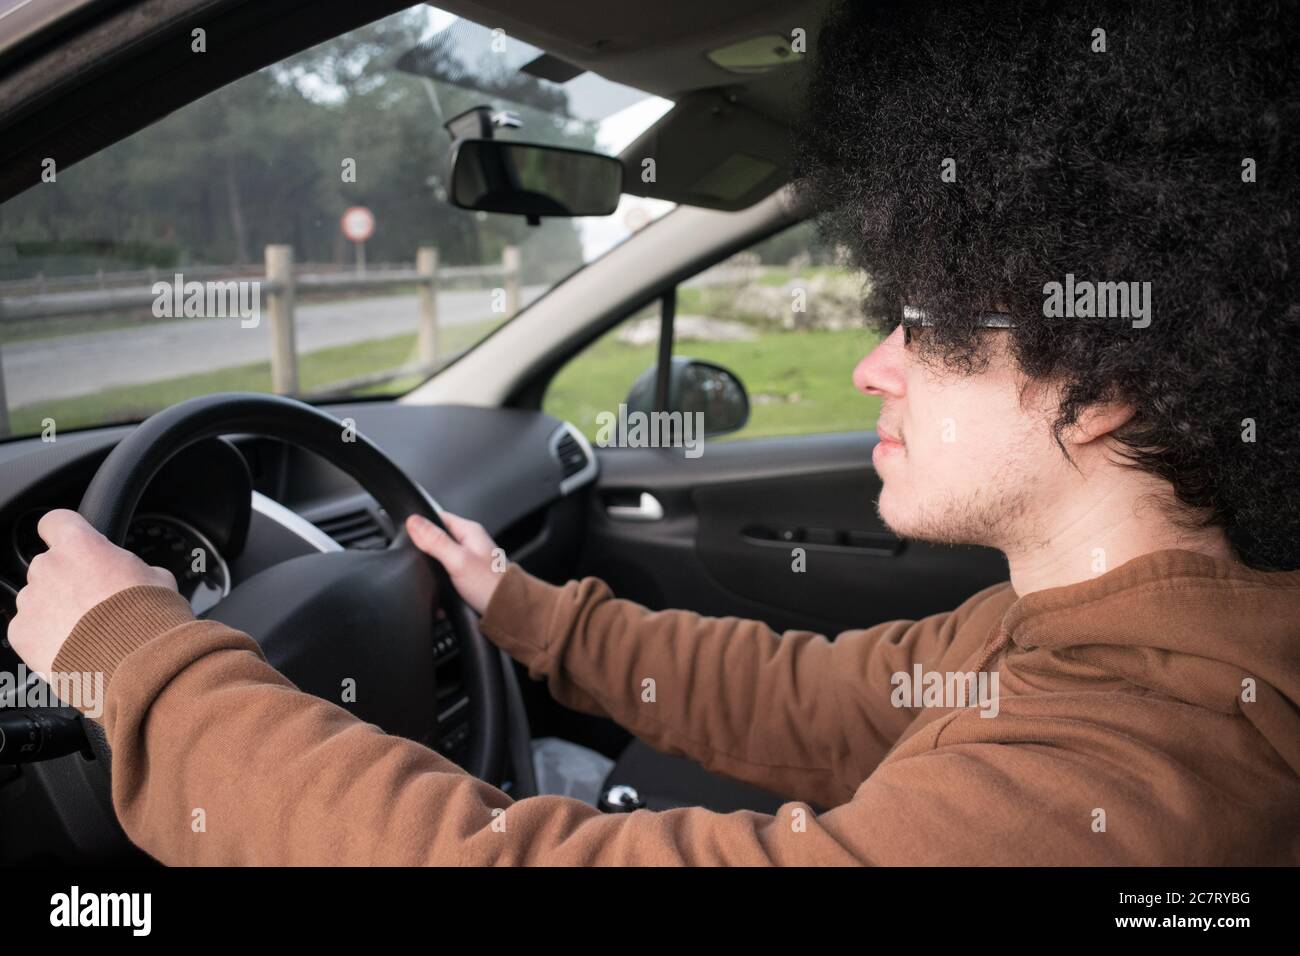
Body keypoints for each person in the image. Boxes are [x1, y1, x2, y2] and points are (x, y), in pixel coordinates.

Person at [9, 0, 1300, 864]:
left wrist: (139, 666)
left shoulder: (1150, 765)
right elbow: (825, 702)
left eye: (933, 325)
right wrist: (518, 608)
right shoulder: (1087, 625)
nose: (871, 364)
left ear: (1112, 370)